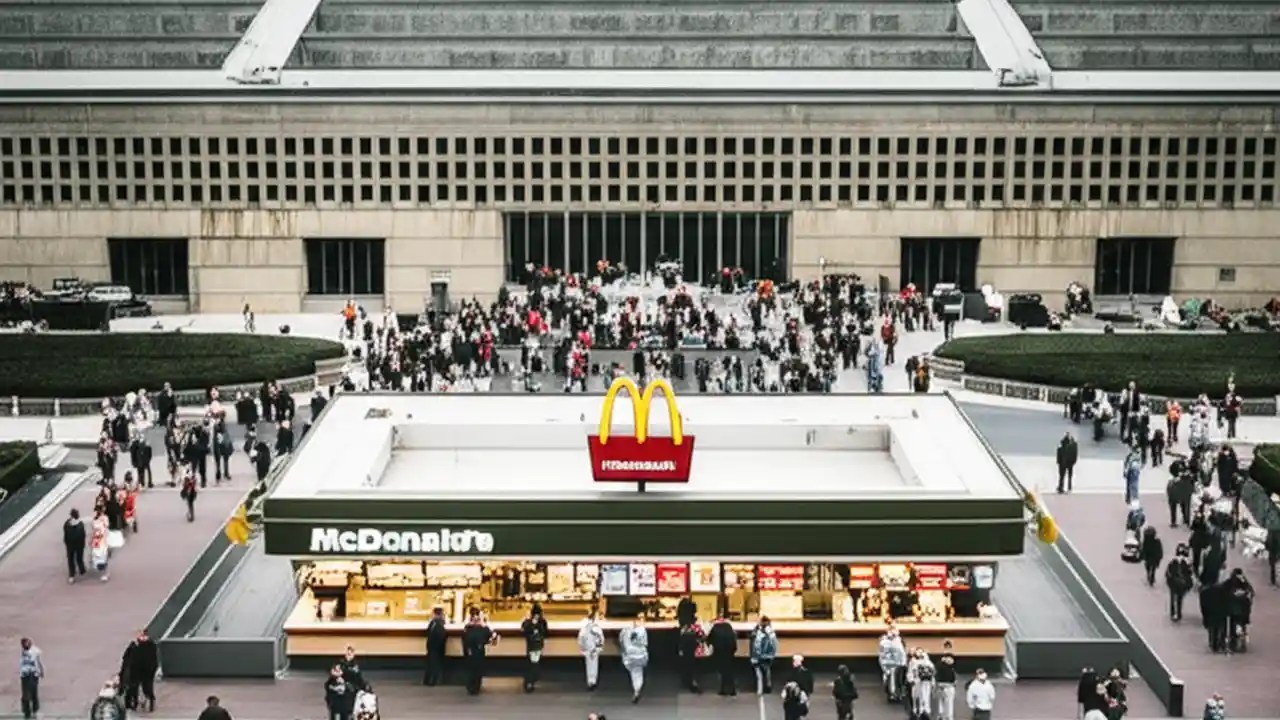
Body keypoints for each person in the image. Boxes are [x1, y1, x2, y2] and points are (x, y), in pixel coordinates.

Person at [120, 629, 158, 712]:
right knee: (133, 688)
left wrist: (151, 671)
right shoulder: (134, 645)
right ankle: (132, 704)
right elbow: (126, 658)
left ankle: (150, 701)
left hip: (146, 670)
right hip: (135, 670)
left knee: (147, 688)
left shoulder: (150, 645)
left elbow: (154, 661)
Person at [461, 608, 495, 695]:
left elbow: (464, 640)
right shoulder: (483, 628)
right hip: (478, 652)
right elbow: (491, 637)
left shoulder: (467, 628)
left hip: (470, 652)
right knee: (477, 670)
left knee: (471, 669)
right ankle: (475, 686)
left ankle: (471, 685)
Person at [620, 615, 648, 704]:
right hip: (640, 655)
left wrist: (624, 655)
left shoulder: (624, 631)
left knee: (634, 673)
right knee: (638, 672)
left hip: (630, 656)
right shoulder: (642, 630)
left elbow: (622, 643)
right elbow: (645, 643)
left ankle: (636, 690)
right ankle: (637, 690)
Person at [1223, 568, 1254, 651]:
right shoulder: (1244, 582)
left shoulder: (1229, 582)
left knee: (1234, 627)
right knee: (1241, 626)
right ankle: (1241, 643)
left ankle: (1234, 643)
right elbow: (1251, 592)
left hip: (1234, 610)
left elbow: (1223, 591)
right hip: (1243, 611)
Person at [520, 603, 548, 692]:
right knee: (535, 662)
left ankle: (529, 681)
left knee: (531, 663)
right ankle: (531, 680)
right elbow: (545, 632)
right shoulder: (542, 622)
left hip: (531, 645)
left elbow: (524, 630)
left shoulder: (528, 622)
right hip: (537, 645)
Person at [708, 613, 738, 696]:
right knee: (729, 671)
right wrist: (733, 650)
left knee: (722, 671)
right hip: (729, 652)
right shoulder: (729, 627)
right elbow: (733, 640)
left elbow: (709, 639)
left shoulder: (715, 627)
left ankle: (723, 689)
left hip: (719, 652)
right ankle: (732, 690)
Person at [749, 615, 779, 695]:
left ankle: (760, 689)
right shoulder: (770, 632)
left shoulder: (756, 631)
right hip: (766, 656)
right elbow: (774, 645)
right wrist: (771, 655)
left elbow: (753, 645)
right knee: (766, 672)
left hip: (758, 655)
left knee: (760, 673)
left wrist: (752, 656)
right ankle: (766, 687)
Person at [1165, 545, 1194, 622]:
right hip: (1182, 584)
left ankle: (1173, 613)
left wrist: (1169, 580)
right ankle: (1178, 613)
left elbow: (1168, 572)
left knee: (1173, 597)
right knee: (1179, 598)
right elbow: (1190, 573)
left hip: (1173, 582)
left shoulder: (1172, 561)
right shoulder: (1187, 562)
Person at [577, 609, 605, 691]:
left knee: (590, 666)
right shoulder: (594, 627)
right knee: (593, 666)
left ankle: (591, 682)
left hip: (589, 649)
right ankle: (592, 682)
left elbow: (581, 639)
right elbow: (600, 639)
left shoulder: (585, 627)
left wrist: (583, 648)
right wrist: (597, 648)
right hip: (592, 649)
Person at [677, 616, 705, 693]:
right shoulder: (697, 628)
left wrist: (680, 650)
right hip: (697, 651)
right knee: (696, 668)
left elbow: (681, 639)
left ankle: (689, 682)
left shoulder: (684, 628)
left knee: (688, 667)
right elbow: (702, 637)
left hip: (687, 652)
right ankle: (695, 684)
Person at [878, 626, 906, 701]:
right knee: (890, 680)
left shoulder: (899, 640)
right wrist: (885, 666)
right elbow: (883, 654)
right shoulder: (884, 642)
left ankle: (898, 694)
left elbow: (902, 652)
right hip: (889, 664)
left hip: (899, 664)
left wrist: (903, 662)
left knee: (899, 680)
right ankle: (891, 694)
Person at [19, 638, 44, 720]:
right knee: (25, 696)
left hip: (33, 675)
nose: (24, 646)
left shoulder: (35, 651)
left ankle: (35, 710)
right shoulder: (23, 651)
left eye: (26, 644)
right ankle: (27, 712)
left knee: (34, 693)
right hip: (25, 676)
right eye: (23, 645)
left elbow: (39, 661)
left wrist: (41, 671)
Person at [423, 606, 447, 686]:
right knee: (430, 664)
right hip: (431, 648)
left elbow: (441, 636)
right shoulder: (433, 623)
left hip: (436, 648)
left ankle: (433, 681)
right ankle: (427, 680)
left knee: (434, 664)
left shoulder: (439, 624)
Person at [935, 639, 957, 720]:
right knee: (941, 702)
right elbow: (937, 669)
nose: (949, 660)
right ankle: (941, 716)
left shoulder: (952, 666)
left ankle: (949, 717)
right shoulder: (940, 665)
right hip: (941, 686)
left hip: (950, 687)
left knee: (949, 703)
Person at [63, 508, 87, 582]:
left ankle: (71, 575)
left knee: (70, 559)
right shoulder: (80, 525)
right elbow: (83, 535)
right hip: (79, 545)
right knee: (79, 558)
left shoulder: (67, 523)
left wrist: (66, 542)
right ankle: (81, 569)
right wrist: (83, 544)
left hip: (70, 545)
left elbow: (65, 534)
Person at [90, 508, 110, 582]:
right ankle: (100, 568)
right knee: (97, 555)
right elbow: (94, 530)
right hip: (97, 540)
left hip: (102, 540)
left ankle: (105, 573)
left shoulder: (105, 519)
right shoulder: (94, 520)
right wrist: (92, 539)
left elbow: (106, 529)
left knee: (103, 555)